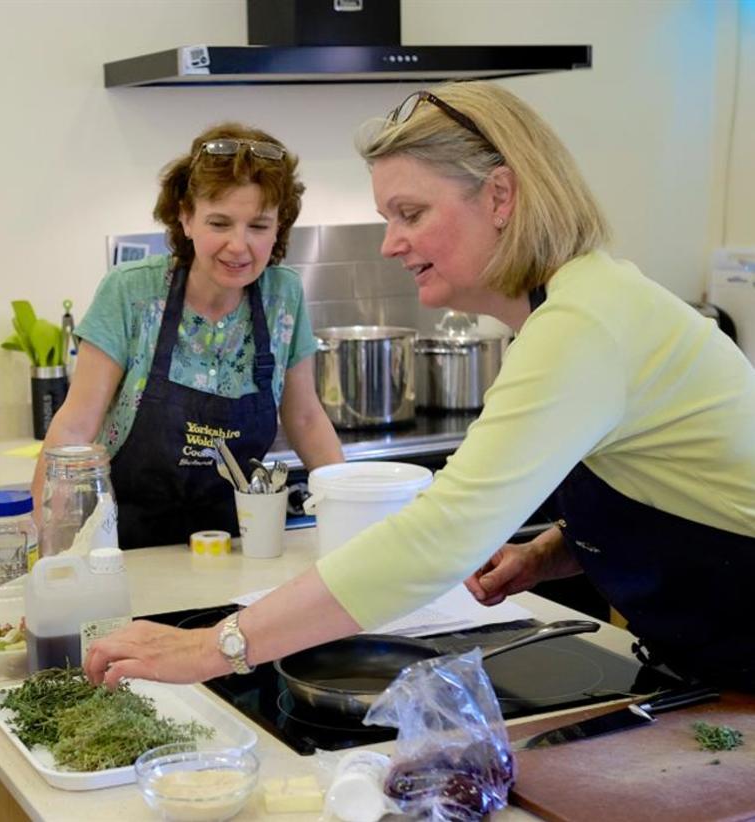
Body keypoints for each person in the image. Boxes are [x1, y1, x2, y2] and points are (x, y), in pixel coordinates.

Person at [85, 82, 755, 692]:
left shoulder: (585, 324)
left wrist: (215, 646)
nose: (390, 244)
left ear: (500, 196)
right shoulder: (580, 306)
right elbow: (677, 487)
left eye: (409, 212)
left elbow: (438, 538)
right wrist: (550, 553)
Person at [33, 123, 343, 549]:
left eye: (258, 225)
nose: (239, 246)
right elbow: (74, 428)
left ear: (279, 227)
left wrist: (352, 513)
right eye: (220, 222)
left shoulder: (282, 296)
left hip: (238, 549)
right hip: (122, 549)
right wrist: (46, 548)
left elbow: (306, 419)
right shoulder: (132, 293)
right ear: (186, 217)